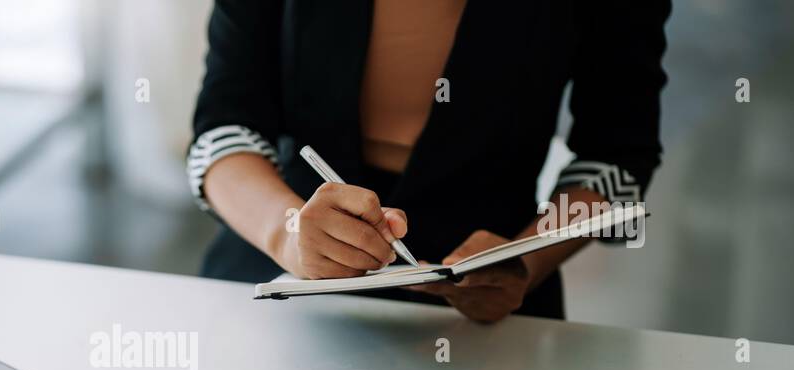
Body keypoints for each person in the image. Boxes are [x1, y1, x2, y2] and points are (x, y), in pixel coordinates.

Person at [187, 0, 670, 321]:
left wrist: (529, 258)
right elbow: (222, 130)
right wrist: (287, 232)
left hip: (490, 280)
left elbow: (618, 159)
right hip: (282, 249)